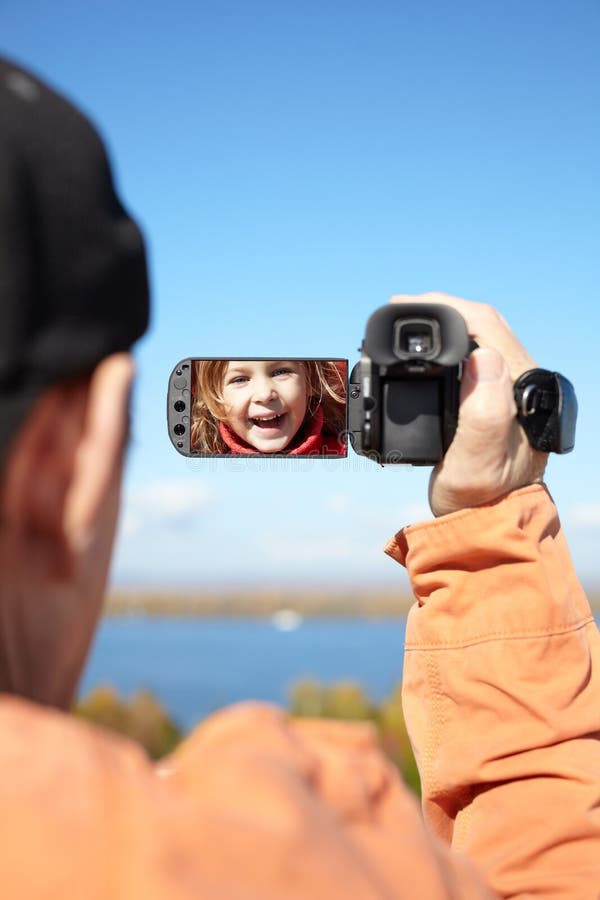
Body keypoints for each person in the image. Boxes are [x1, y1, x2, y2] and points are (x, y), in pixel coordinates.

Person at [1, 56, 599, 899]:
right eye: (235, 382)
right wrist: (494, 527)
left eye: (275, 378)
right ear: (68, 462)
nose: (262, 396)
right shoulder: (253, 864)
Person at [191, 358, 347, 455]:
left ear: (311, 381)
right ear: (215, 400)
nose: (264, 394)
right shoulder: (207, 469)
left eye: (280, 372)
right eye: (239, 380)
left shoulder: (343, 452)